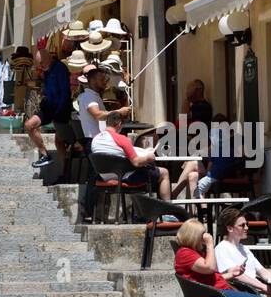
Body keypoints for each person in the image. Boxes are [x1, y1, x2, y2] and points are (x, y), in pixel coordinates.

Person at [76, 66, 131, 221]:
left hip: (95, 140)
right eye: (101, 79)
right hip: (93, 141)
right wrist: (119, 112)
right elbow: (97, 114)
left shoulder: (92, 95)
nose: (104, 82)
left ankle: (91, 212)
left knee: (95, 176)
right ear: (92, 81)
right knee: (95, 177)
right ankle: (88, 212)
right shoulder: (89, 97)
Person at [90, 111, 173, 200]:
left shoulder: (95, 139)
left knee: (151, 173)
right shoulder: (122, 139)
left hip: (104, 177)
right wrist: (149, 157)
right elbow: (136, 162)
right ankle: (167, 210)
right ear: (119, 124)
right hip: (125, 177)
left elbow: (114, 153)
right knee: (164, 173)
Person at [25, 48, 74, 174]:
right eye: (39, 64)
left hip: (62, 108)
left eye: (42, 64)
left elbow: (65, 93)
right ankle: (45, 154)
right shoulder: (46, 71)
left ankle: (64, 173)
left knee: (59, 141)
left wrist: (59, 113)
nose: (40, 67)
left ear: (49, 59)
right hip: (49, 106)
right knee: (29, 125)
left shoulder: (60, 68)